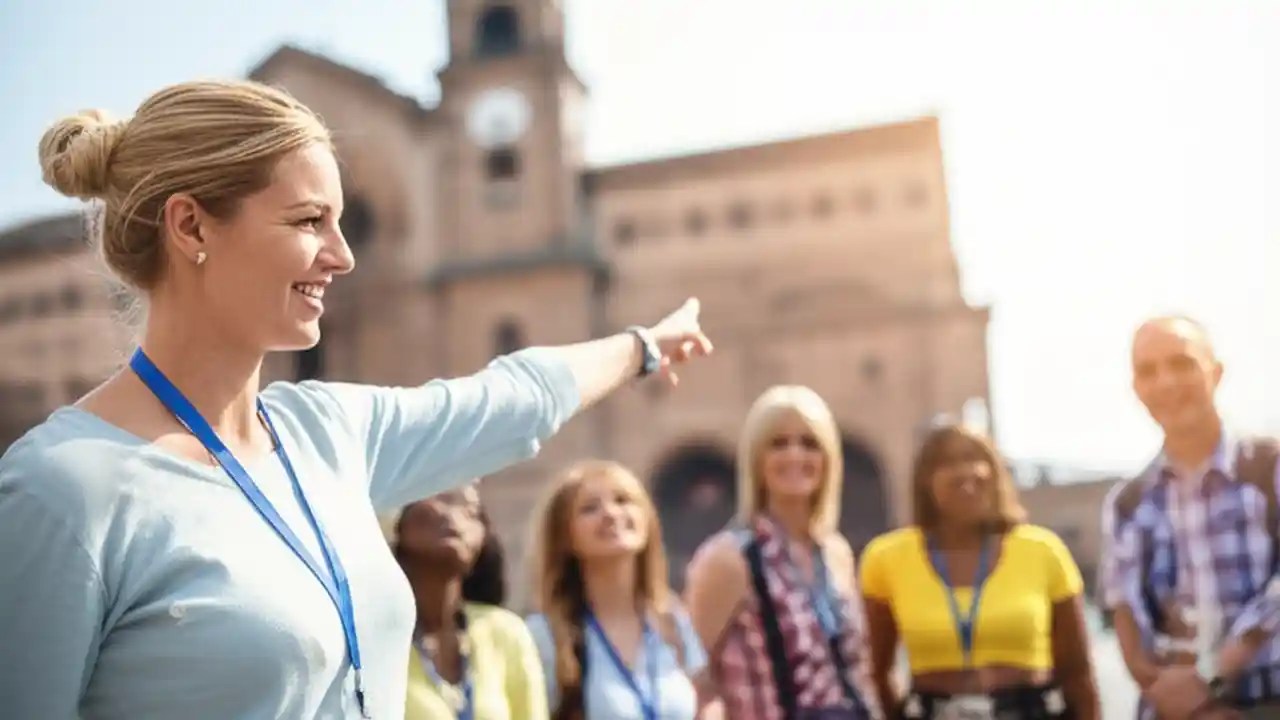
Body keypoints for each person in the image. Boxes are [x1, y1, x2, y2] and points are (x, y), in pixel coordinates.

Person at [0, 78, 713, 719]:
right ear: (190, 227)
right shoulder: (61, 490)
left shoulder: (327, 432)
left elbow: (509, 401)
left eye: (342, 221)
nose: (342, 255)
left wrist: (643, 347)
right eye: (309, 221)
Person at [1099, 316, 1280, 719]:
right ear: (1136, 389)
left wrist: (1210, 677)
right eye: (1148, 371)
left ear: (1216, 372)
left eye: (1181, 364)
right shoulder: (1128, 503)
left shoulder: (1269, 468)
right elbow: (1126, 615)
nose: (1166, 382)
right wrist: (1181, 700)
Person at [859, 423, 1099, 719]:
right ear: (924, 479)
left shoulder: (1043, 550)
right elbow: (877, 672)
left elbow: (1078, 674)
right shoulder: (886, 558)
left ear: (996, 474)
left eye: (976, 459)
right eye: (947, 462)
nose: (967, 472)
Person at [684, 385, 880, 719]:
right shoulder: (729, 559)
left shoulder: (835, 552)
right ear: (756, 459)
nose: (795, 455)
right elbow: (696, 678)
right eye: (779, 444)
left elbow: (859, 671)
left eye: (809, 444)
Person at [525, 459, 713, 720]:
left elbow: (706, 706)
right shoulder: (546, 637)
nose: (611, 514)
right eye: (590, 508)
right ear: (564, 536)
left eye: (623, 500)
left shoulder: (672, 624)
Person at [391, 485, 546, 719]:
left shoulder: (505, 631)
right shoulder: (370, 635)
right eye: (442, 497)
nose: (455, 516)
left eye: (471, 511)